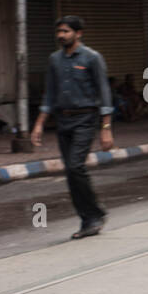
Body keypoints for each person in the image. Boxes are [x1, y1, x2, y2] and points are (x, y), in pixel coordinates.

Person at [30, 16, 113, 239]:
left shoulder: (92, 58)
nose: (61, 35)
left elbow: (104, 93)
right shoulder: (54, 60)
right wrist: (39, 125)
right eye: (59, 31)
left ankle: (94, 215)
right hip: (63, 121)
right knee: (70, 171)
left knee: (76, 166)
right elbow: (49, 93)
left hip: (85, 120)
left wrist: (106, 128)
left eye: (66, 31)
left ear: (78, 33)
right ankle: (89, 217)